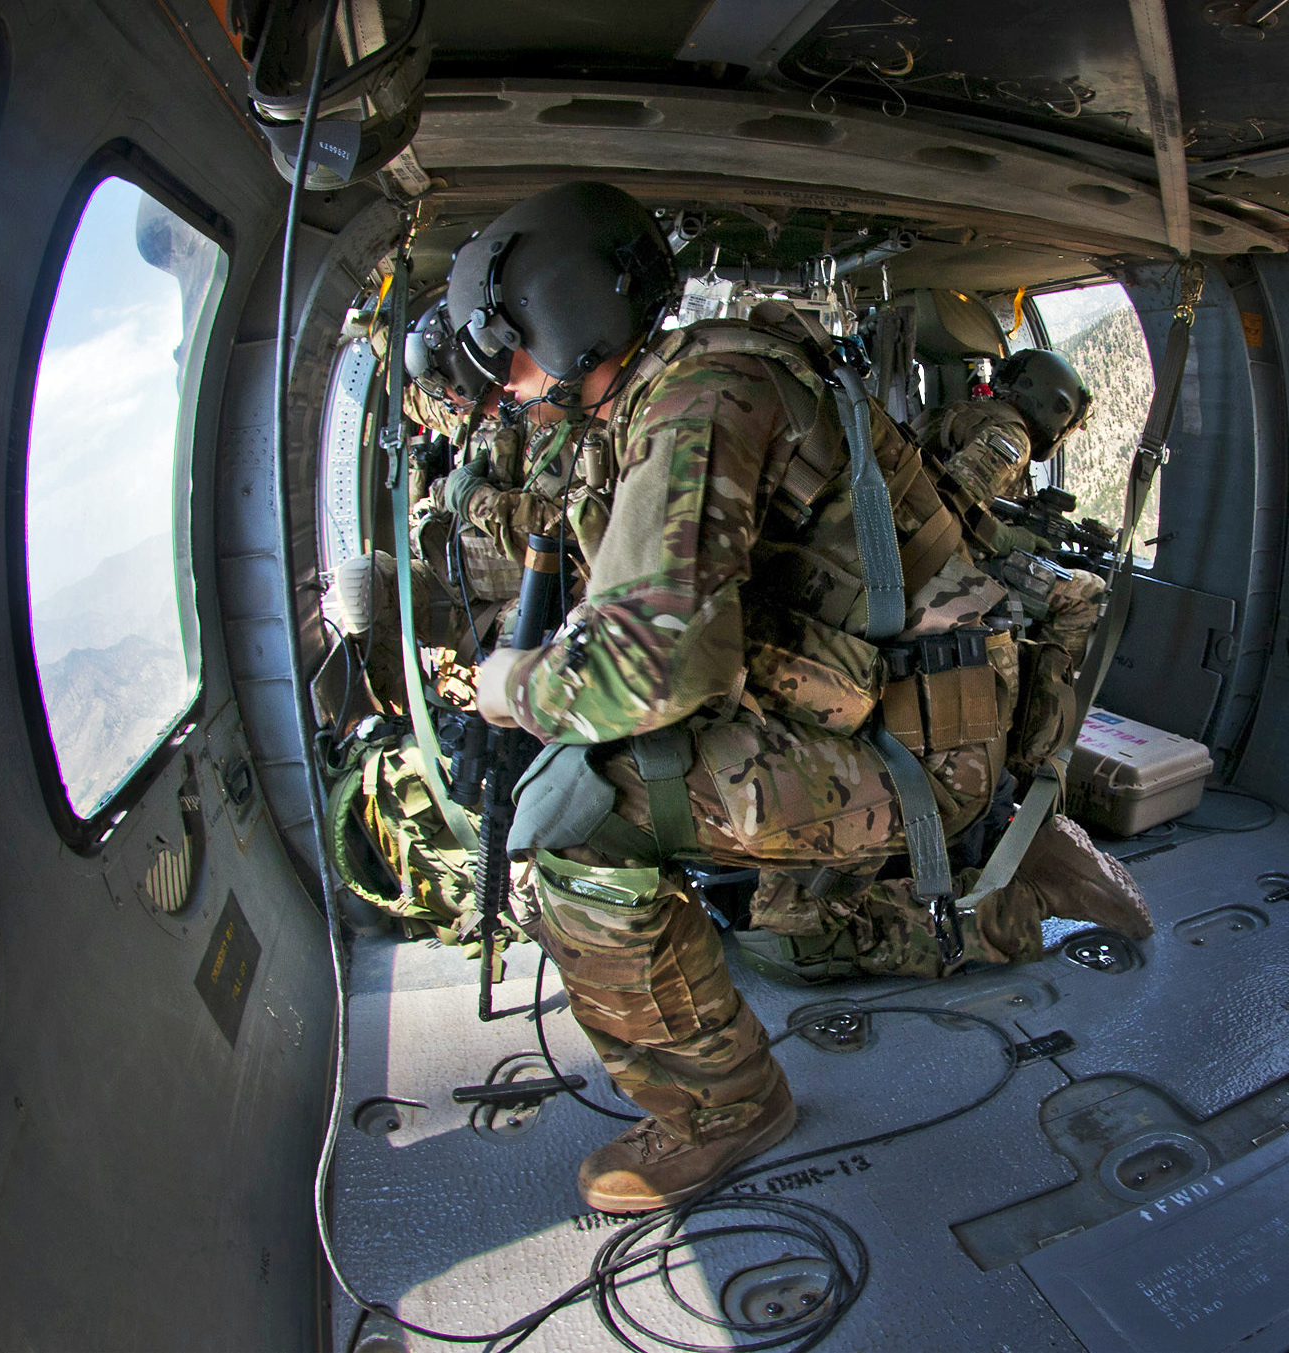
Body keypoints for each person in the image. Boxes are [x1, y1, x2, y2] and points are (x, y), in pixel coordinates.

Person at [462, 183, 1149, 1213]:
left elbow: (653, 671)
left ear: (559, 320)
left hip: (922, 743)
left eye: (506, 352)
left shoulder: (703, 397)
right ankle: (1017, 860)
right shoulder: (675, 386)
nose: (504, 385)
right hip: (910, 705)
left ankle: (725, 1108)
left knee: (579, 820)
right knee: (754, 900)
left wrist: (506, 688)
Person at [920, 348, 1108, 669]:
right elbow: (948, 506)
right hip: (939, 562)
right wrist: (1011, 538)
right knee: (1089, 592)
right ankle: (1041, 684)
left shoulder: (961, 413)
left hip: (915, 549)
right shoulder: (1012, 437)